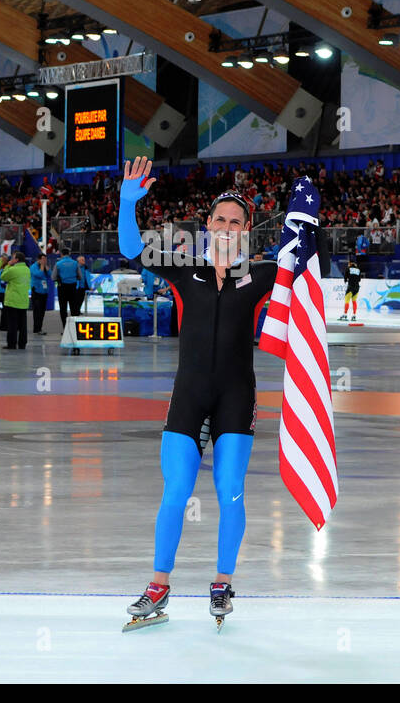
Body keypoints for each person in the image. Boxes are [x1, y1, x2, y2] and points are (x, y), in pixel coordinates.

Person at [117, 156, 280, 629]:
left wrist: (303, 224)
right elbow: (131, 248)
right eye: (220, 220)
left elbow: (321, 265)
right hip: (187, 398)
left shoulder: (263, 276)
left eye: (236, 222)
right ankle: (158, 584)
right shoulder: (183, 269)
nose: (227, 227)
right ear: (208, 226)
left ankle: (222, 582)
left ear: (247, 230)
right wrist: (129, 203)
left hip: (236, 398)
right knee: (175, 492)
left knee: (230, 491)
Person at [0, 251, 31, 350]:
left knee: (12, 324)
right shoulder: (27, 269)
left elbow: (3, 276)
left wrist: (8, 265)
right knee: (23, 325)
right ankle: (22, 344)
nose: (11, 260)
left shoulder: (13, 269)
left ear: (16, 260)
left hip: (13, 300)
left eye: (12, 258)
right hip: (23, 300)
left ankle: (11, 344)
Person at [54, 251, 79, 329]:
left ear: (61, 254)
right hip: (73, 287)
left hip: (62, 287)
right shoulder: (75, 263)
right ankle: (74, 328)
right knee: (74, 308)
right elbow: (80, 276)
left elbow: (53, 277)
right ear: (69, 254)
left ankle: (65, 328)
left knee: (63, 308)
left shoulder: (58, 264)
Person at [30, 254, 50, 334]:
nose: (45, 261)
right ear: (38, 259)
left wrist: (45, 266)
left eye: (45, 259)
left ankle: (39, 328)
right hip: (37, 291)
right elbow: (39, 275)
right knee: (37, 311)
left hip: (44, 291)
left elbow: (50, 274)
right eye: (43, 259)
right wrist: (42, 266)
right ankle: (37, 329)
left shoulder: (44, 266)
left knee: (42, 311)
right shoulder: (33, 267)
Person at [340, 257, 361, 321]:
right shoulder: (358, 270)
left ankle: (345, 314)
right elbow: (359, 279)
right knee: (354, 301)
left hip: (350, 287)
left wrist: (346, 280)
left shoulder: (348, 268)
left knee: (347, 300)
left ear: (350, 263)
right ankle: (354, 315)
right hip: (357, 287)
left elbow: (345, 278)